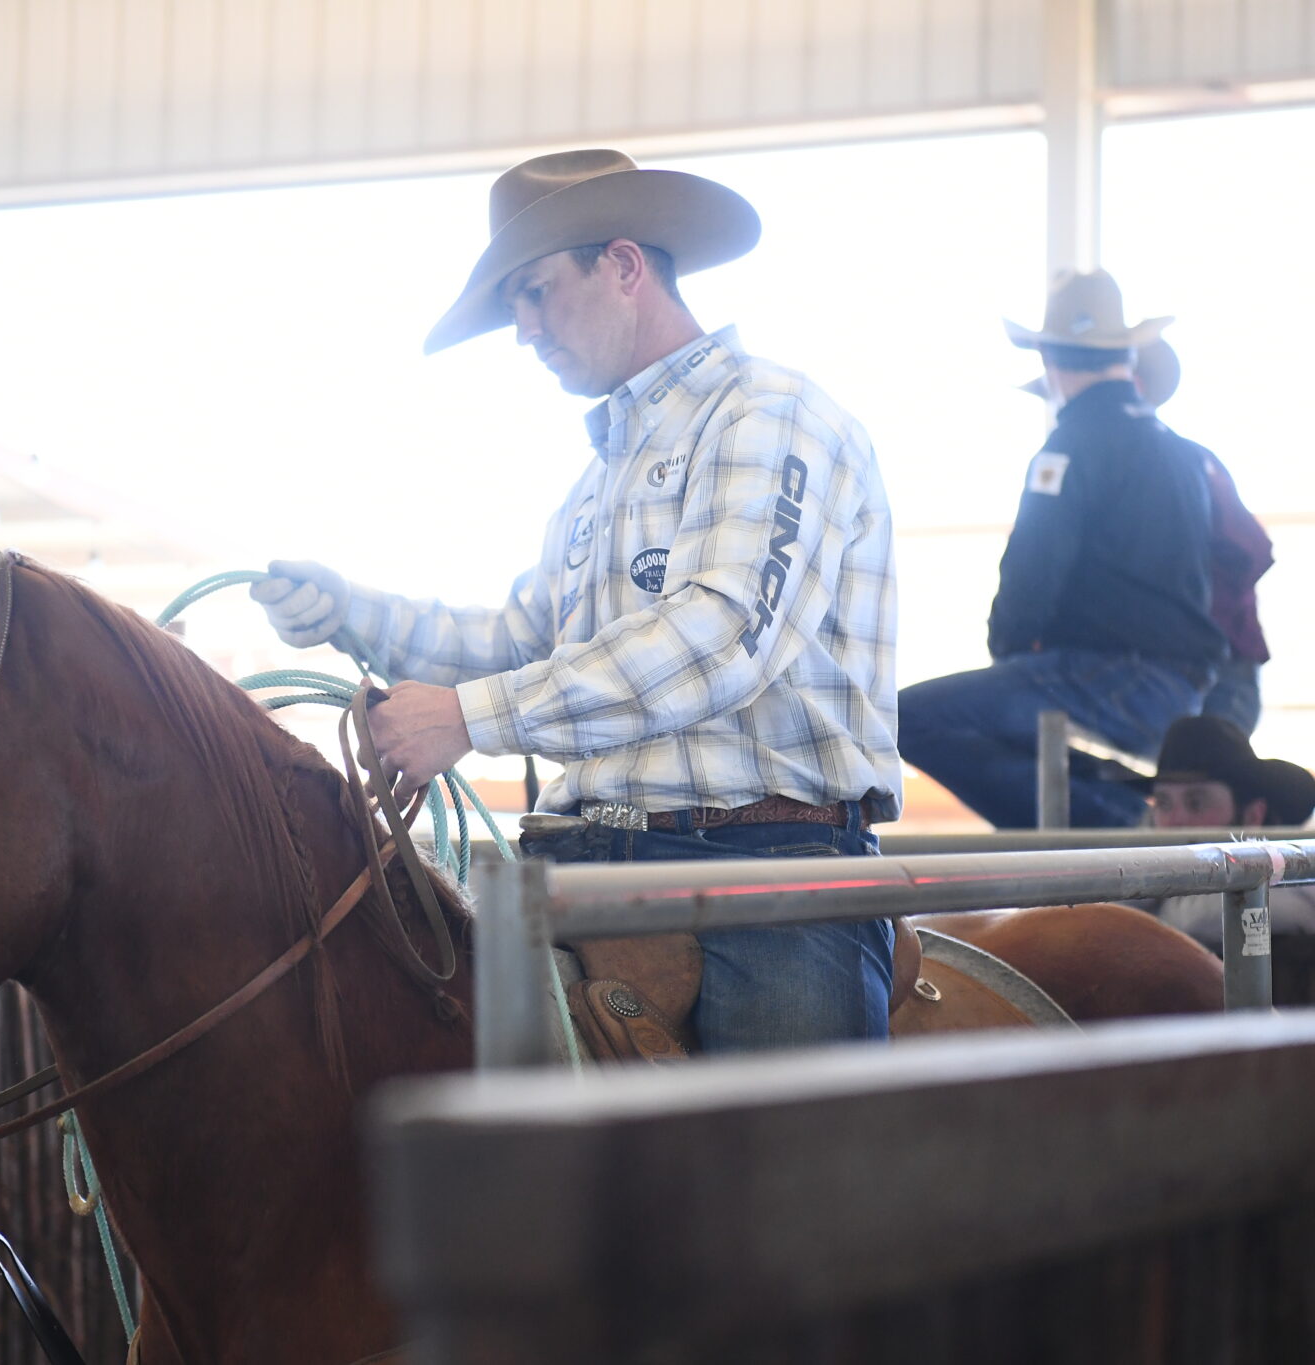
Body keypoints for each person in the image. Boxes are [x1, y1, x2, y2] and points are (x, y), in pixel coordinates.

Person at [251, 149, 903, 1052]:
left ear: (625, 266)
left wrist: (470, 720)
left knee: (783, 1178)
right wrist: (352, 614)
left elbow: (718, 637)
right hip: (583, 868)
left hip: (768, 873)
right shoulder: (599, 484)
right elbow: (522, 640)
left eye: (535, 292)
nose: (525, 329)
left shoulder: (772, 415)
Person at [897, 270, 1226, 828]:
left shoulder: (1069, 446)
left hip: (1102, 676)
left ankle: (1112, 826)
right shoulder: (1185, 455)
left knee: (907, 719)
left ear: (1050, 365)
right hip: (1181, 687)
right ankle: (1099, 818)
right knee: (1031, 734)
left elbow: (1032, 569)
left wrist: (1008, 651)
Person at [1027, 339, 1277, 734]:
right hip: (1195, 666)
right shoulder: (1183, 462)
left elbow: (1250, 552)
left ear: (1135, 383)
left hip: (1207, 669)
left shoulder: (1184, 463)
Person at [1136, 715, 1315, 946]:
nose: (1174, 821)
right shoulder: (1155, 869)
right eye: (1163, 804)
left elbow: (1194, 920)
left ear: (1252, 816)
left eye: (1196, 803)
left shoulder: (1294, 876)